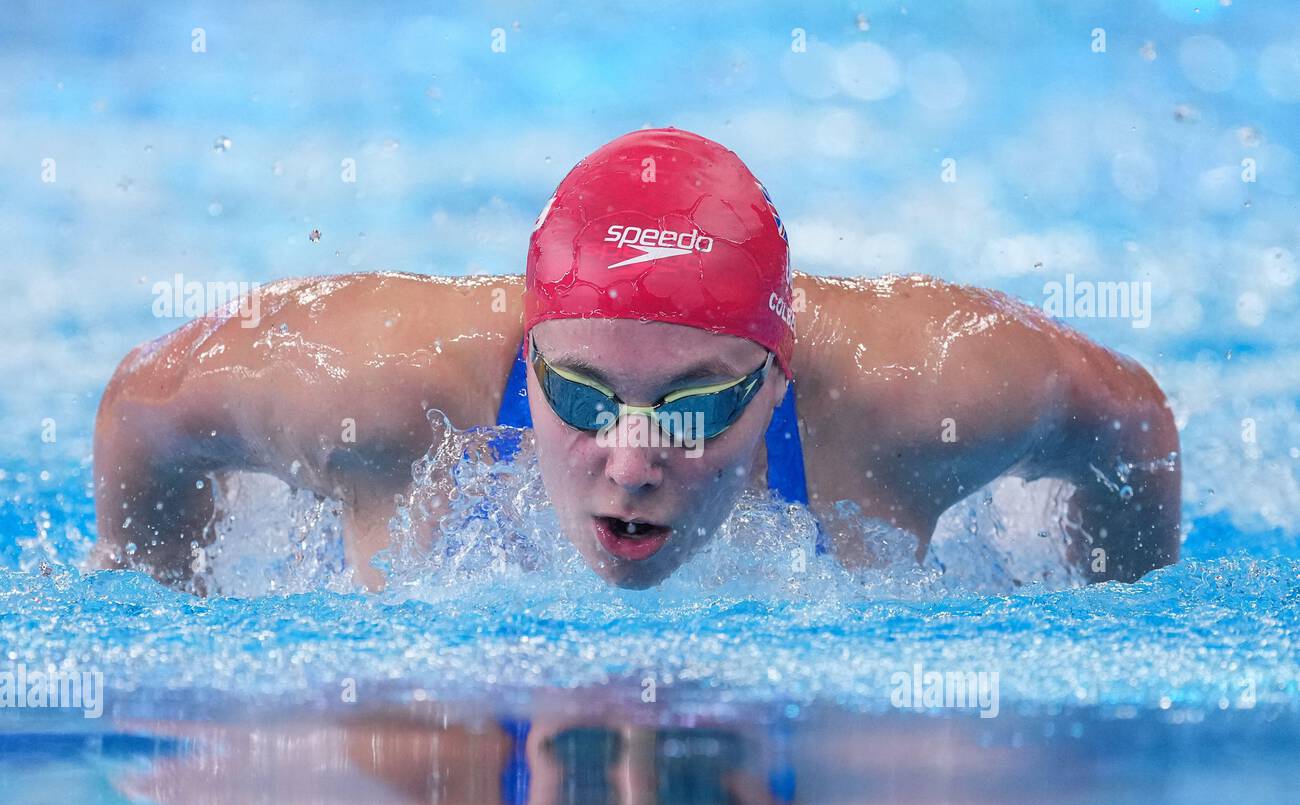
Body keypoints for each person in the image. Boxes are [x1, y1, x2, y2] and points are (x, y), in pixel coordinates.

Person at [91, 128, 1180, 592]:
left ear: (779, 372)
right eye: (579, 394)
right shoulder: (366, 390)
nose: (629, 458)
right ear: (531, 347)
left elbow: (1127, 415)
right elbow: (143, 405)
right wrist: (169, 605)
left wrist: (1119, 605)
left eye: (697, 403)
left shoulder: (927, 391)